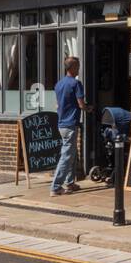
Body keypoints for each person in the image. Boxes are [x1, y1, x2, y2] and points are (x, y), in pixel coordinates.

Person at [51, 57, 86, 196]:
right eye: (78, 66)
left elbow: (59, 104)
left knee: (72, 153)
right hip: (71, 124)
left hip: (62, 124)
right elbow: (81, 104)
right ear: (72, 68)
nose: (79, 69)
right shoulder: (76, 84)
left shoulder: (59, 84)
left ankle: (70, 183)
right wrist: (88, 108)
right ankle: (55, 187)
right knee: (66, 156)